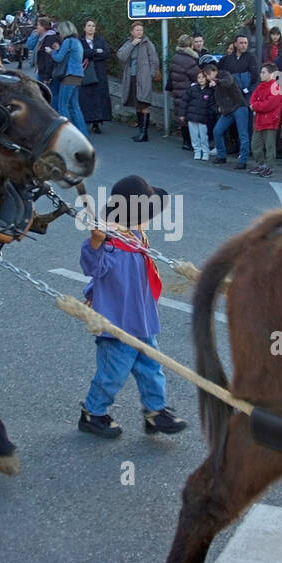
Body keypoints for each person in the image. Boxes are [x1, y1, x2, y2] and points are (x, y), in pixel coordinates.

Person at [77, 175, 187, 439]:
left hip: (142, 319)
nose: (151, 217)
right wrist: (95, 241)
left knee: (151, 368)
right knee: (111, 374)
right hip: (116, 323)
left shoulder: (136, 235)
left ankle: (155, 411)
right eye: (148, 212)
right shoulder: (110, 243)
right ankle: (93, 413)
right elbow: (92, 267)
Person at [118, 22, 159, 143]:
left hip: (144, 78)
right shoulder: (129, 42)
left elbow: (155, 61)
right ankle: (140, 132)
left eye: (141, 30)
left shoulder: (147, 43)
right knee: (137, 104)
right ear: (132, 32)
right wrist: (132, 44)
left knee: (144, 103)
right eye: (137, 30)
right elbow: (121, 56)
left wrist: (149, 75)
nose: (139, 32)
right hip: (132, 77)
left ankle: (144, 133)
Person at [48, 20, 90, 137]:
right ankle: (83, 134)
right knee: (75, 106)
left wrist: (51, 51)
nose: (59, 34)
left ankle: (67, 135)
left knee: (63, 106)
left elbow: (58, 58)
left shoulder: (67, 41)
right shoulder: (77, 42)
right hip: (78, 76)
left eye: (60, 31)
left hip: (69, 76)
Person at [248, 62, 282, 178]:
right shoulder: (261, 86)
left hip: (270, 121)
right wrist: (255, 105)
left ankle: (269, 166)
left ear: (271, 74)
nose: (261, 74)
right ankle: (261, 164)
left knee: (269, 147)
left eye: (264, 72)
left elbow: (268, 105)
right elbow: (253, 98)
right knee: (255, 145)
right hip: (259, 120)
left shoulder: (276, 88)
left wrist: (255, 106)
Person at [78, 18, 112, 134]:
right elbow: (81, 53)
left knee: (99, 97)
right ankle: (86, 120)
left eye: (93, 26)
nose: (91, 28)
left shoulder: (100, 40)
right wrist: (96, 52)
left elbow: (107, 53)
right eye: (89, 26)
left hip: (99, 71)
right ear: (84, 28)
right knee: (86, 96)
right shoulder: (80, 40)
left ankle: (96, 123)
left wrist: (93, 54)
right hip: (86, 72)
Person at [168, 32, 200, 150]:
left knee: (182, 116)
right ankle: (188, 142)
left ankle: (185, 141)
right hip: (187, 90)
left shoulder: (176, 57)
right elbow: (196, 75)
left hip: (178, 90)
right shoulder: (188, 60)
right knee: (188, 117)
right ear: (190, 45)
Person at [184, 58, 218, 160]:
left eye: (203, 77)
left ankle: (205, 152)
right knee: (194, 136)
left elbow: (212, 104)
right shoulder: (192, 89)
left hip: (203, 117)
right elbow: (185, 101)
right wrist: (182, 114)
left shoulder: (210, 90)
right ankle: (197, 151)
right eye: (199, 78)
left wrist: (210, 114)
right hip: (192, 116)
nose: (201, 79)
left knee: (203, 136)